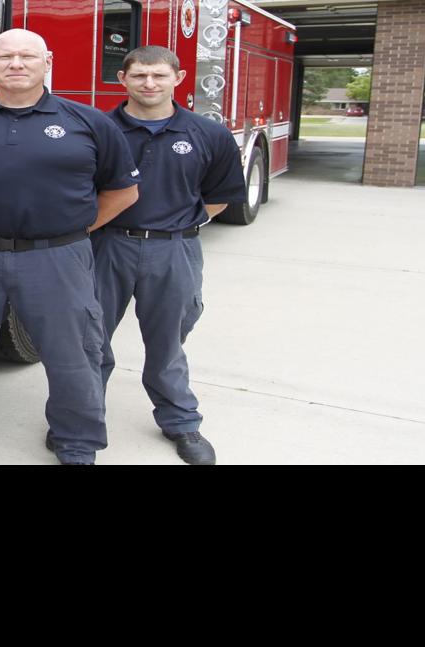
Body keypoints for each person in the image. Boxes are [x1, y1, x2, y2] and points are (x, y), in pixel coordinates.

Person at [0, 28, 140, 465]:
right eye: (5, 57)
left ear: (47, 62)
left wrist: (72, 230)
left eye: (27, 56)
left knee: (73, 354)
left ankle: (76, 442)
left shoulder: (89, 121)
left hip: (58, 257)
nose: (16, 64)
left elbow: (123, 191)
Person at [95, 46, 245, 466]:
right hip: (107, 246)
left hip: (175, 248)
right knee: (89, 338)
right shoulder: (97, 128)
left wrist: (180, 225)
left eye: (159, 76)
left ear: (178, 78)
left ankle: (181, 422)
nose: (149, 84)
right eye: (139, 75)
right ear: (122, 78)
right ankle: (80, 418)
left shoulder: (208, 134)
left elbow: (219, 197)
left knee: (168, 342)